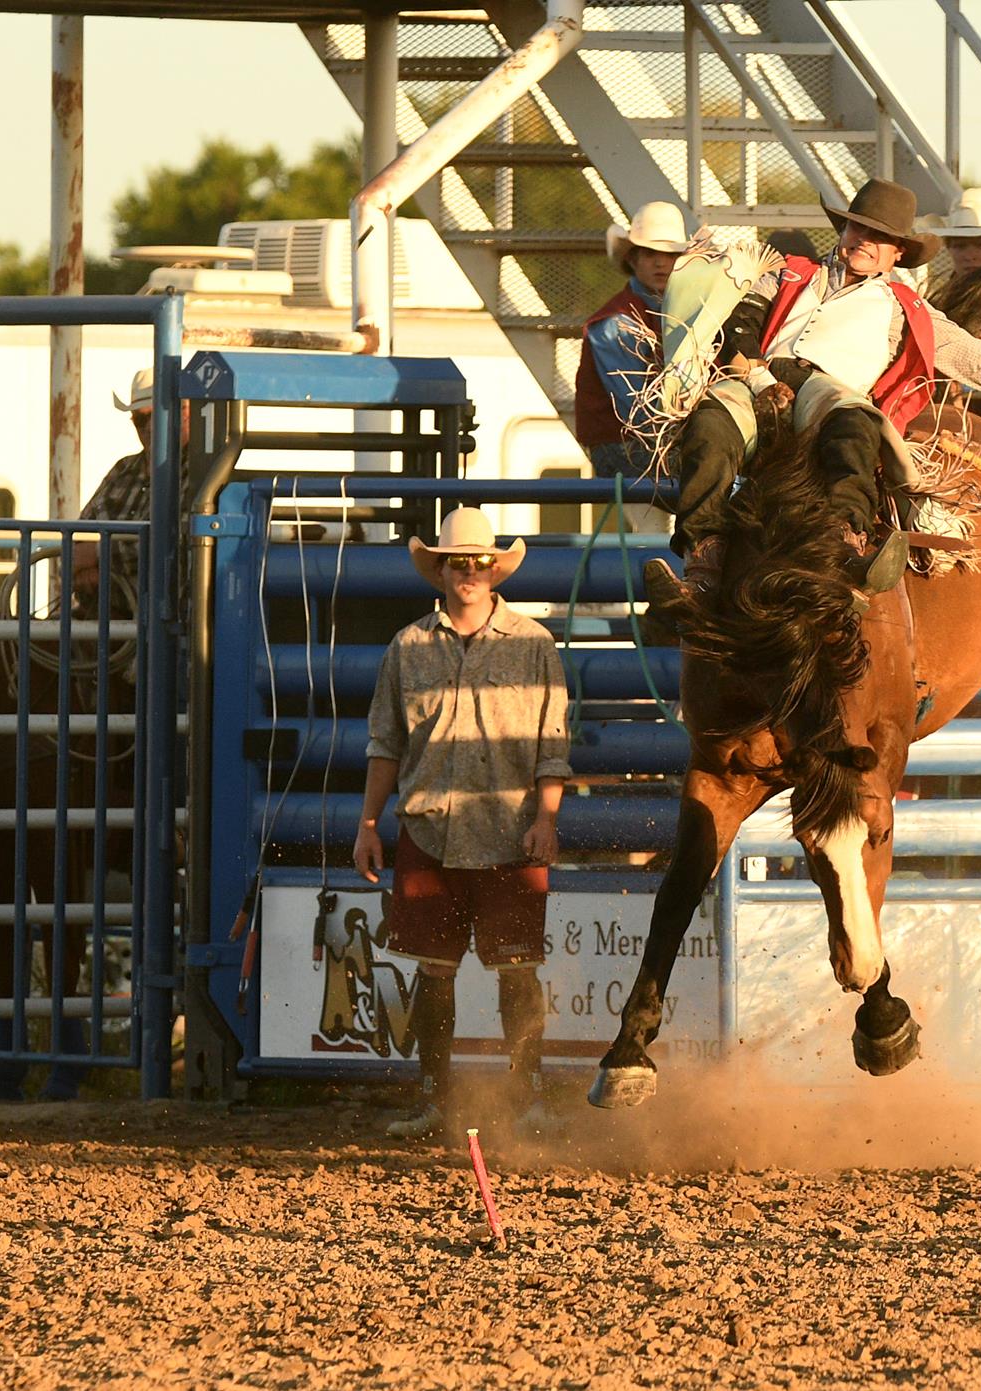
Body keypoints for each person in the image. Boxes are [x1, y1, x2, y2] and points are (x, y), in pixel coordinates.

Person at [646, 177, 981, 607]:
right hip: (757, 382)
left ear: (898, 251)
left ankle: (849, 545)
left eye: (880, 236)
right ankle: (702, 560)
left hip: (831, 395)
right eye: (860, 227)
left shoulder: (911, 312)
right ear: (844, 229)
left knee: (854, 425)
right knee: (711, 420)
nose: (866, 240)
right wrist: (759, 380)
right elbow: (739, 330)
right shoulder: (785, 273)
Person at [353, 507, 572, 1141]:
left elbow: (551, 742)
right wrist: (370, 823)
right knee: (433, 973)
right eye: (458, 562)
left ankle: (525, 1097)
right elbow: (385, 743)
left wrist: (546, 818)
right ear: (442, 570)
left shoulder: (534, 644)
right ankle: (437, 1101)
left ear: (493, 568)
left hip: (510, 831)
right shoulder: (409, 646)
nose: (469, 571)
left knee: (517, 971)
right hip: (428, 828)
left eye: (479, 561)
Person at [574, 201, 692, 479]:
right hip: (623, 447)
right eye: (650, 253)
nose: (661, 262)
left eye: (670, 254)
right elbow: (640, 414)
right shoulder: (615, 324)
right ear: (633, 258)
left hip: (661, 440)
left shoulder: (678, 310)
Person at [72, 367, 193, 606]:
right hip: (107, 612)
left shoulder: (198, 471)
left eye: (157, 416)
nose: (148, 427)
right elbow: (80, 534)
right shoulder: (124, 468)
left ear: (186, 413)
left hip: (161, 619)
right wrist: (84, 570)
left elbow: (174, 545)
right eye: (140, 419)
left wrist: (98, 554)